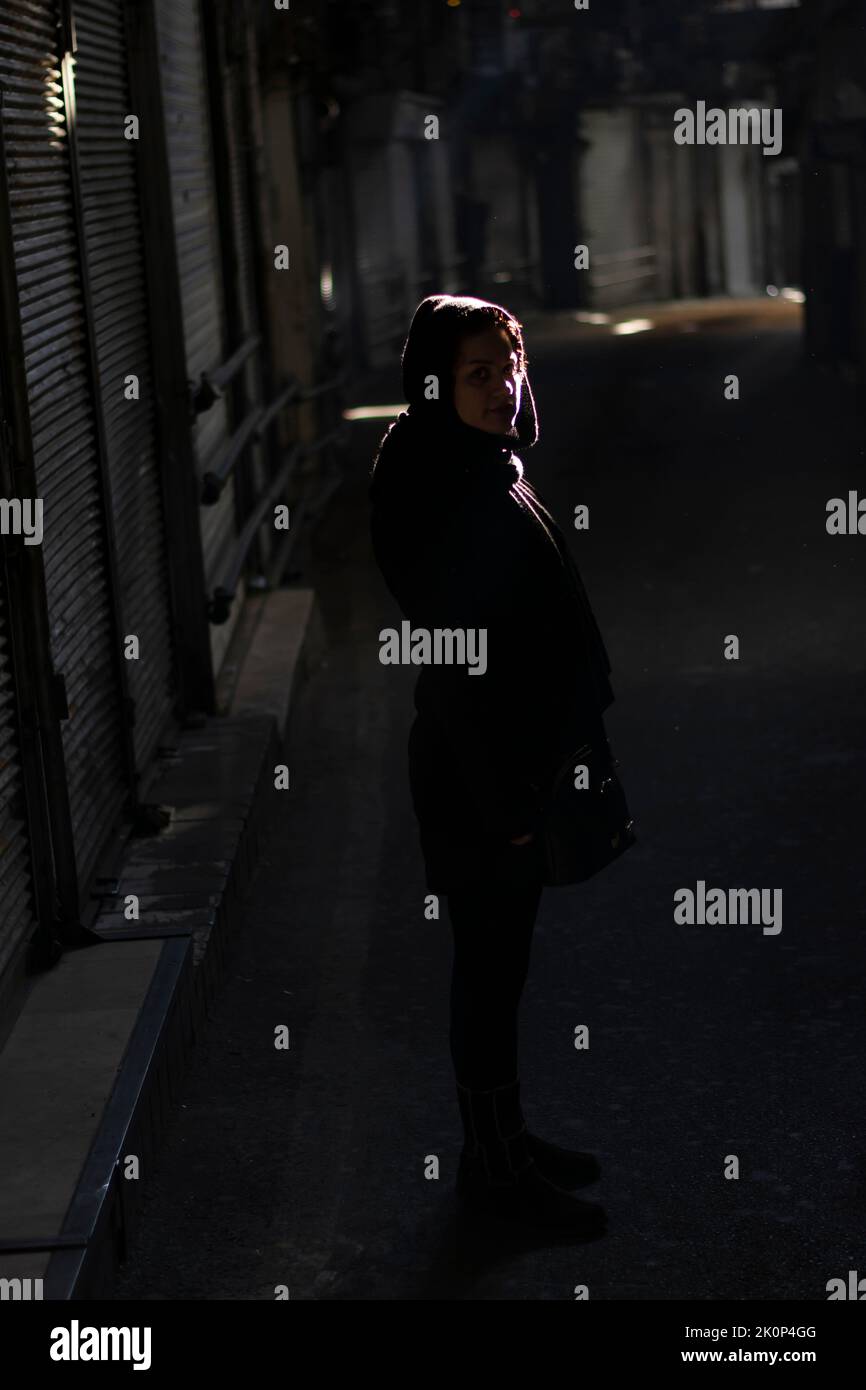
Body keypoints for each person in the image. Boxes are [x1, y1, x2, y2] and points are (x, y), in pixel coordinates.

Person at [368, 294, 616, 1238]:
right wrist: (506, 798)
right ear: (437, 380)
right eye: (478, 372)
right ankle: (496, 1178)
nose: (503, 385)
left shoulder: (478, 462)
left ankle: (501, 1142)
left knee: (502, 971)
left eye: (509, 365)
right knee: (487, 970)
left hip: (510, 763)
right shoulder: (438, 485)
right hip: (481, 774)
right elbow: (455, 664)